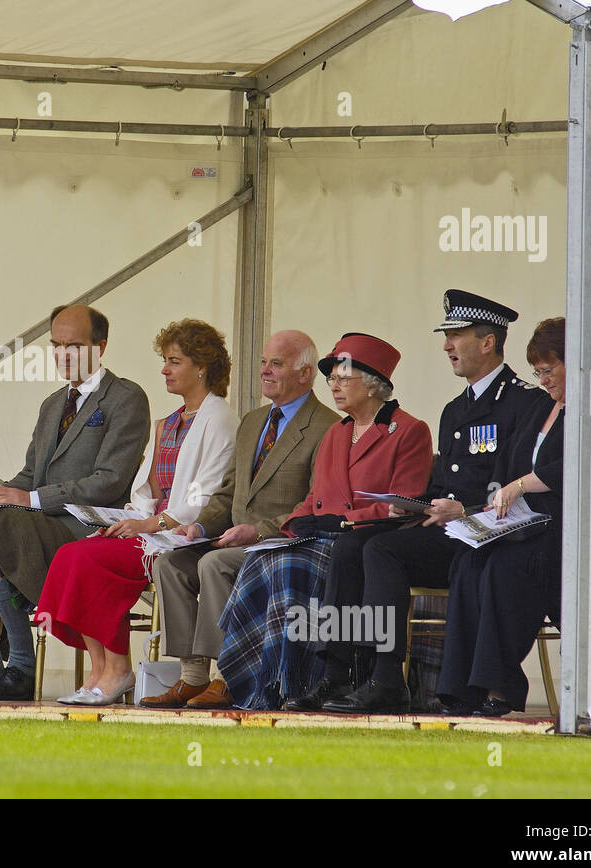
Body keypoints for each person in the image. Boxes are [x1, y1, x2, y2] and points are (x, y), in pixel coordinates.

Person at [324, 290, 554, 714]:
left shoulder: (525, 400)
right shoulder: (453, 410)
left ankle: (394, 679)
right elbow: (446, 481)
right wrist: (415, 504)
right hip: (450, 532)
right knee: (362, 545)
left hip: (494, 535)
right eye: (446, 335)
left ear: (488, 342)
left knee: (382, 549)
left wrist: (465, 510)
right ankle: (359, 675)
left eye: (456, 335)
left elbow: (518, 481)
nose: (447, 345)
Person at [0, 304, 150, 701]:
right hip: (37, 518)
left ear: (101, 347)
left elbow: (109, 482)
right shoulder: (53, 403)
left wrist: (30, 498)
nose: (62, 355)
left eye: (74, 346)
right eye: (56, 346)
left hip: (86, 524)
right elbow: (30, 475)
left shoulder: (126, 398)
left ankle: (21, 666)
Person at [216, 334, 433, 710]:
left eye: (343, 377)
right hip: (329, 537)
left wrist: (343, 522)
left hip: (368, 539)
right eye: (331, 378)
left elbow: (406, 504)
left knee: (291, 564)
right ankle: (269, 676)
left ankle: (318, 674)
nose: (333, 385)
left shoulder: (410, 430)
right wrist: (292, 526)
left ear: (373, 383)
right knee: (264, 557)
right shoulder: (338, 431)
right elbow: (316, 495)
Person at [34, 320, 237, 706]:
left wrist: (148, 524)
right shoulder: (168, 422)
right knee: (72, 553)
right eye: (165, 360)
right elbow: (147, 492)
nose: (164, 369)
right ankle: (99, 669)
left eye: (174, 361)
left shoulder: (221, 419)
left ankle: (117, 670)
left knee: (88, 561)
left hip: (181, 537)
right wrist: (127, 520)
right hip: (149, 530)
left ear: (202, 367)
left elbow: (205, 497)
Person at [140, 330, 340, 709]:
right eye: (263, 361)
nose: (264, 371)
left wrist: (258, 530)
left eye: (276, 364)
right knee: (172, 563)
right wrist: (198, 526)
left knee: (214, 564)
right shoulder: (253, 421)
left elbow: (316, 502)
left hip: (280, 543)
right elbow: (229, 492)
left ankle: (227, 677)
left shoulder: (326, 426)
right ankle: (193, 677)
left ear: (305, 374)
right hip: (233, 536)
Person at [436, 318, 566, 716]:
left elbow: (577, 461)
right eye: (538, 372)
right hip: (520, 524)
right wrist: (487, 509)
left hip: (558, 532)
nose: (543, 380)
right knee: (469, 560)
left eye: (549, 370)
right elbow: (505, 465)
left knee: (504, 568)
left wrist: (522, 485)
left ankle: (500, 687)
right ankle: (459, 688)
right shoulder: (544, 407)